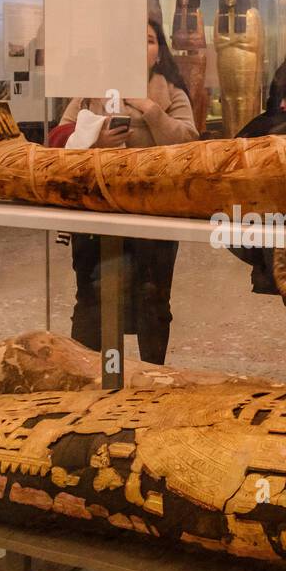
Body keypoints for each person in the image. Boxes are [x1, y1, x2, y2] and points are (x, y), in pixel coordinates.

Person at [62, 19, 197, 363]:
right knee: (94, 297)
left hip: (153, 215)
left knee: (152, 299)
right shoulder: (92, 92)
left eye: (150, 40)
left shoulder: (172, 93)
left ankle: (150, 382)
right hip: (97, 214)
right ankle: (95, 379)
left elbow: (189, 146)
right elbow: (59, 140)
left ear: (158, 54)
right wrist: (97, 141)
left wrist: (149, 109)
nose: (142, 47)